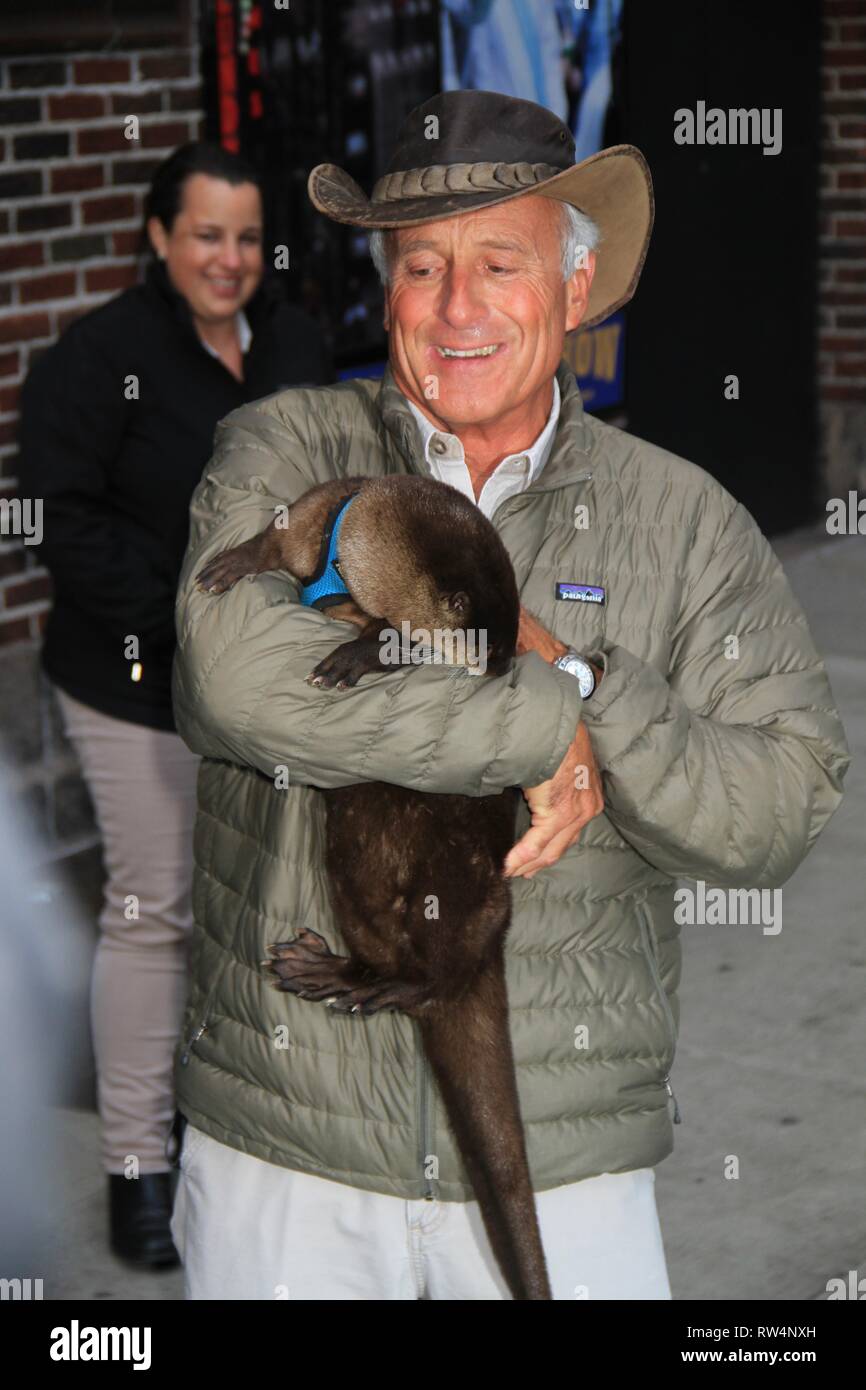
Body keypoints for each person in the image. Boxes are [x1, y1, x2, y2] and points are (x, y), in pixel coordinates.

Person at [168, 91, 849, 1300]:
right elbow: (231, 680)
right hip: (291, 1161)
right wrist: (542, 716)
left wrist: (590, 681)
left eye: (499, 261)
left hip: (564, 1166)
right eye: (421, 265)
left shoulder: (682, 519)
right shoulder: (281, 447)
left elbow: (777, 805)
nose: (456, 307)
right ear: (385, 287)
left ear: (574, 290)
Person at [18, 141, 333, 1270]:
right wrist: (184, 621)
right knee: (155, 910)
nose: (229, 258)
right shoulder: (98, 358)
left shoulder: (293, 343)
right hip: (133, 677)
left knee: (247, 906)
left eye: (246, 237)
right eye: (206, 234)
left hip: (262, 685)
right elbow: (60, 518)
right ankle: (137, 1164)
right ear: (159, 238)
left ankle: (225, 1130)